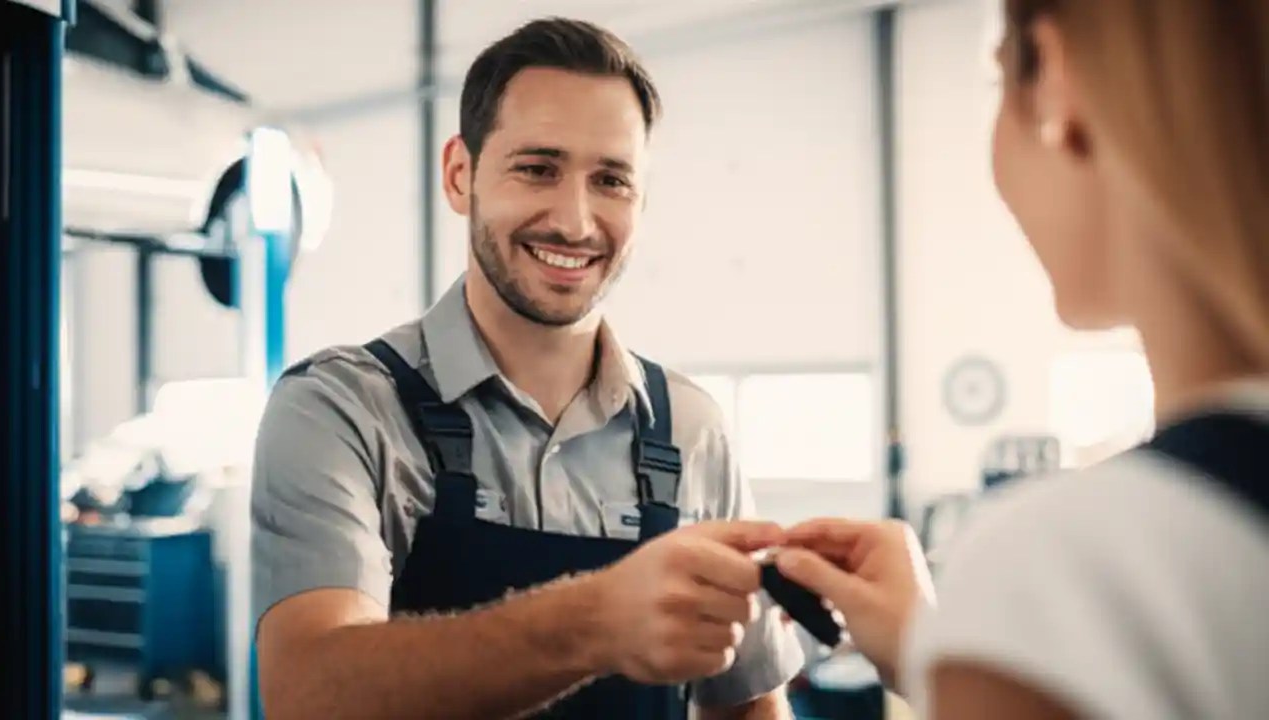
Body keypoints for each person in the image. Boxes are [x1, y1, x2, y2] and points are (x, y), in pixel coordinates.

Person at [250, 17, 804, 720]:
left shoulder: (691, 430)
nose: (575, 221)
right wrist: (596, 620)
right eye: (538, 168)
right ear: (460, 175)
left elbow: (749, 705)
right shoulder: (342, 409)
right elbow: (310, 692)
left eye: (611, 180)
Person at [773, 1, 1269, 718]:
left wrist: (1004, 639)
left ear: (1058, 84)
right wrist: (943, 651)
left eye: (995, 82)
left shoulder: (1073, 569)